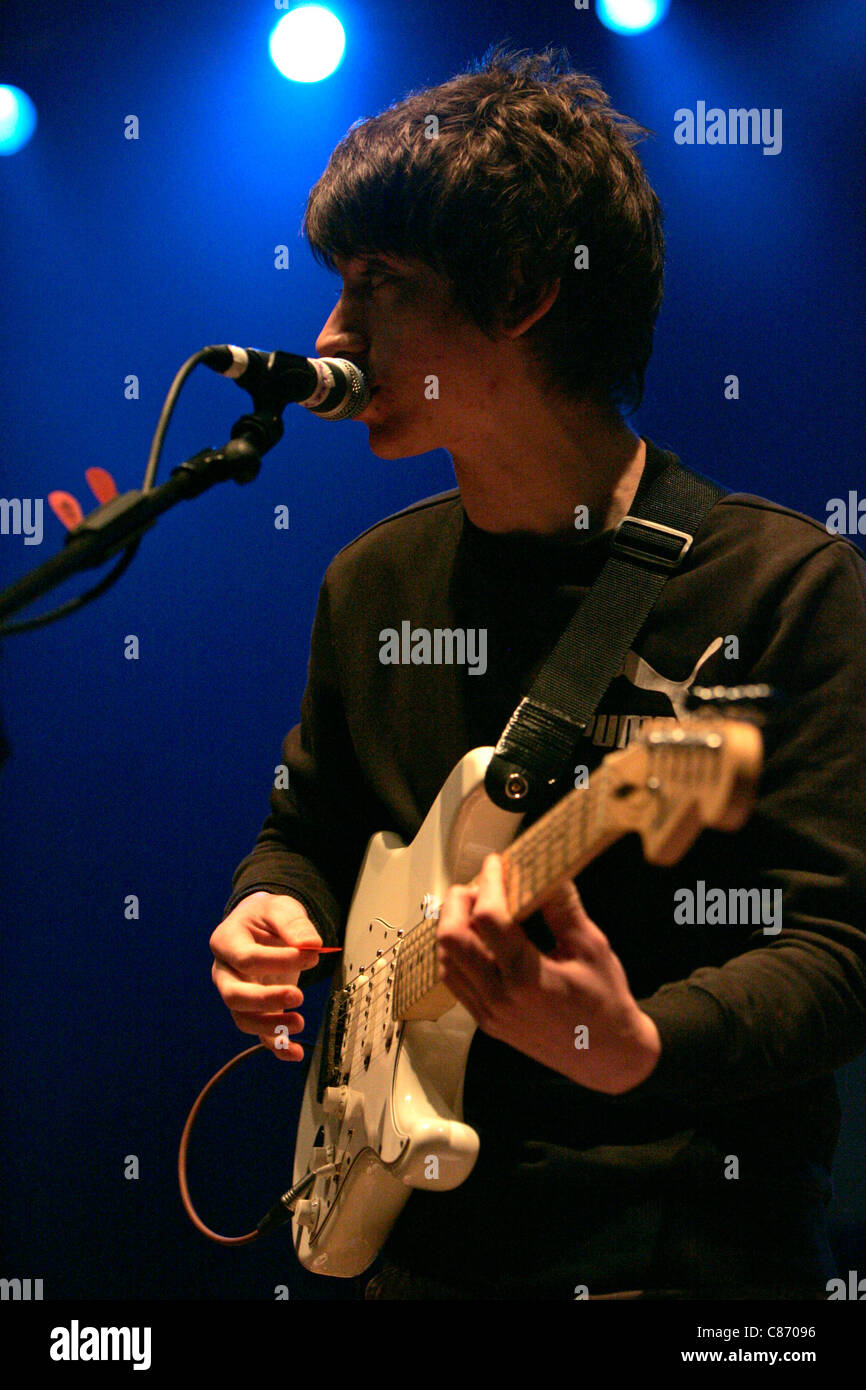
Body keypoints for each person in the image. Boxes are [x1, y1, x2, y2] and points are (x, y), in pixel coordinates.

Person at [209, 46, 866, 1299]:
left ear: (517, 291)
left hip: (680, 1254)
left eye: (377, 283)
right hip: (422, 1247)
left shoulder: (777, 584)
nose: (328, 335)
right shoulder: (368, 584)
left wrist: (636, 1044)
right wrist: (269, 903)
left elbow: (839, 941)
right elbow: (310, 823)